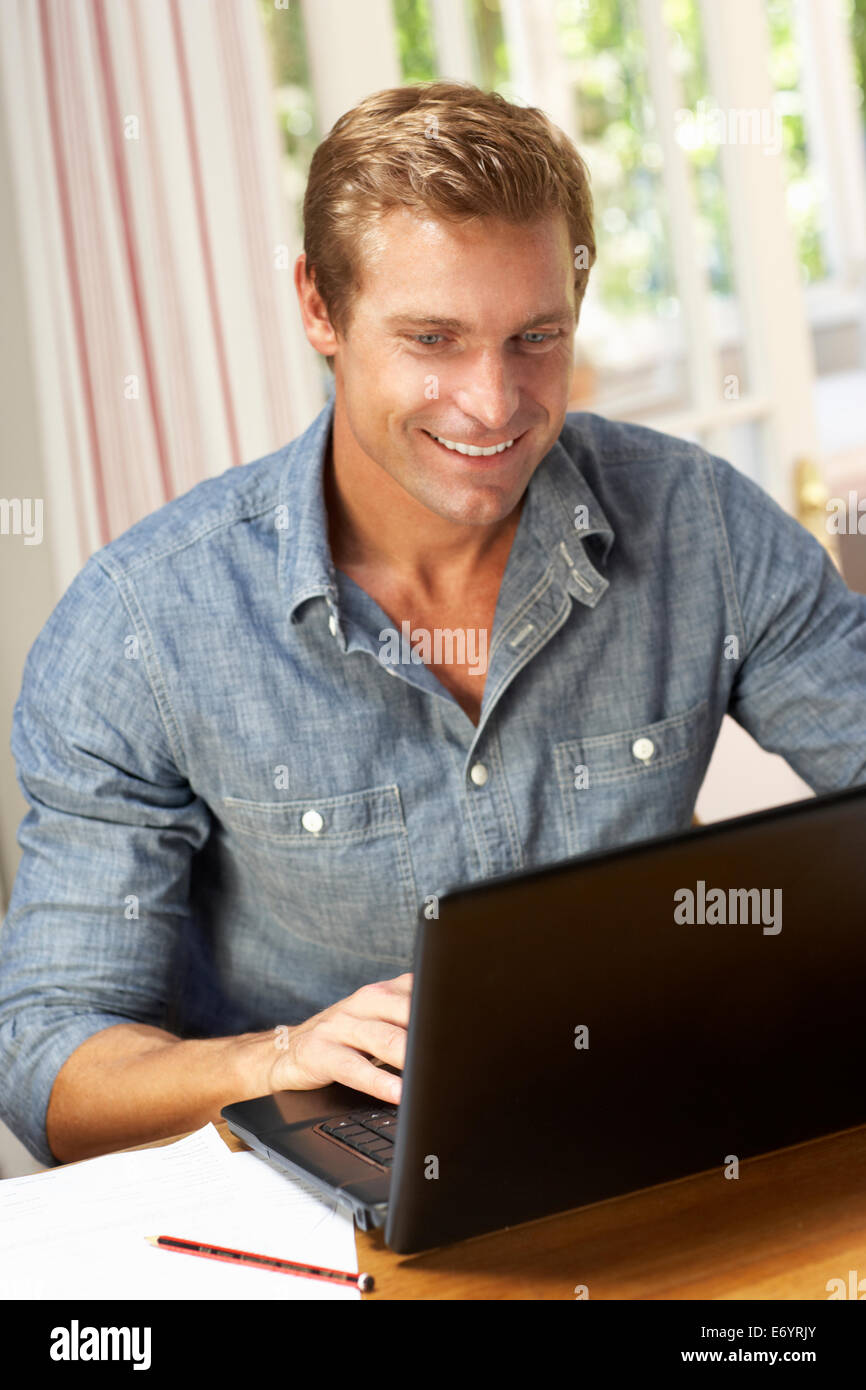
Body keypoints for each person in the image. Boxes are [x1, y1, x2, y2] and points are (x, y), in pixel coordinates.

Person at [2, 82, 865, 1168]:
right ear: (319, 307)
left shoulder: (703, 526)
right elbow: (50, 1063)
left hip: (662, 1141)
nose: (493, 403)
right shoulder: (141, 625)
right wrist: (282, 1058)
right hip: (325, 1204)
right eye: (432, 338)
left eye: (534, 336)